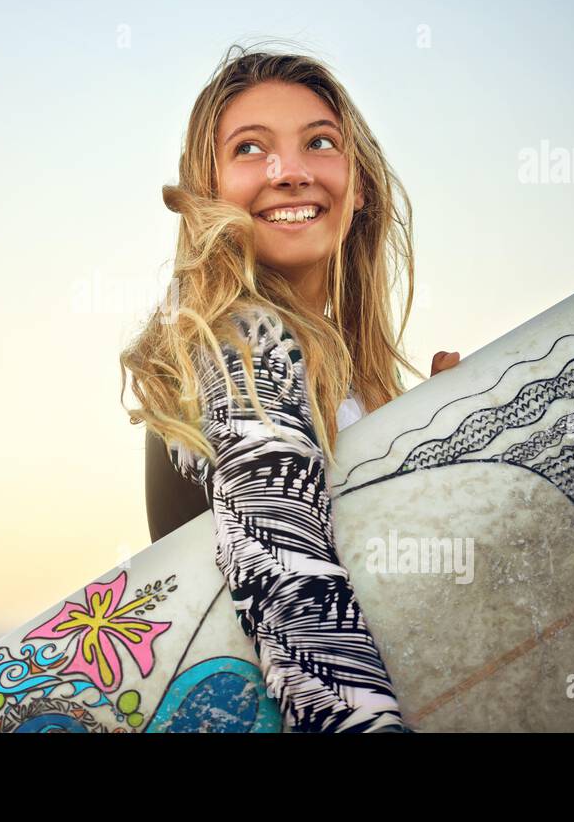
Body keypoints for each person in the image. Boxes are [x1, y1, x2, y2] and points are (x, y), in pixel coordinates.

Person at [120, 41, 460, 732]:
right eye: (251, 149)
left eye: (320, 142)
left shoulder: (339, 371)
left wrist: (429, 470)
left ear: (358, 186)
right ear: (206, 193)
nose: (290, 171)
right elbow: (294, 598)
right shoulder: (237, 344)